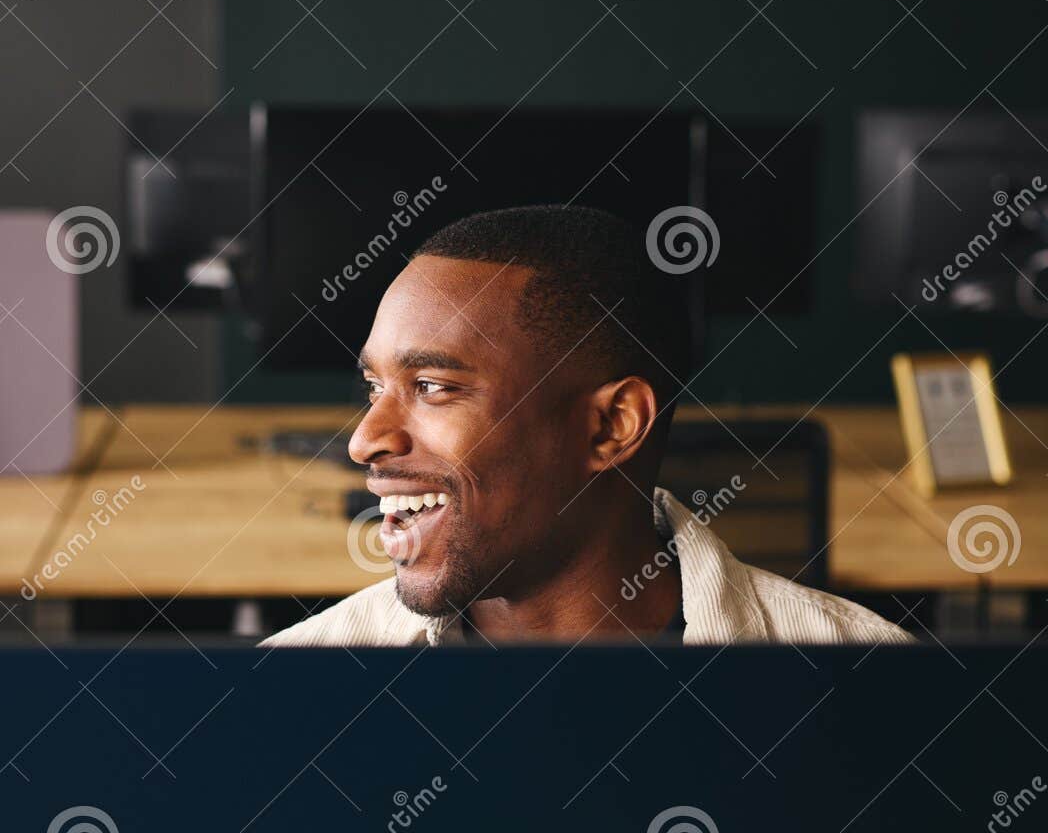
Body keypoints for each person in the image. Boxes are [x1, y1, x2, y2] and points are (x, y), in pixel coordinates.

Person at [263, 205, 910, 648]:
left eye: (431, 387)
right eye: (375, 386)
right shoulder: (287, 699)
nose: (364, 439)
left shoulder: (873, 689)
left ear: (611, 427)